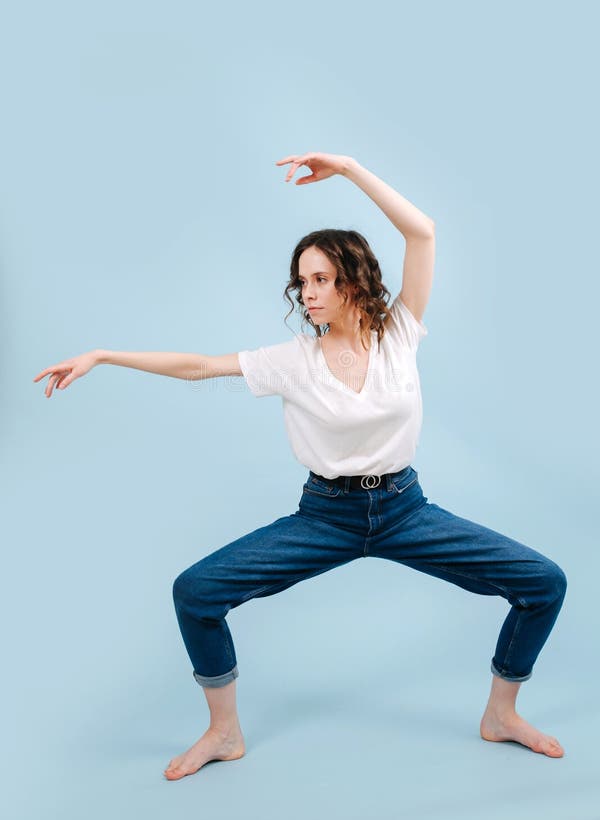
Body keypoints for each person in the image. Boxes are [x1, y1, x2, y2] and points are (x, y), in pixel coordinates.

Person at [33, 151, 567, 781]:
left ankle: (501, 715)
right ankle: (223, 732)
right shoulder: (291, 361)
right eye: (302, 282)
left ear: (354, 280)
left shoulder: (400, 333)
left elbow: (421, 232)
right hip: (327, 516)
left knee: (542, 582)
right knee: (196, 593)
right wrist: (105, 354)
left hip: (405, 510)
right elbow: (199, 365)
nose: (308, 294)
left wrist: (347, 168)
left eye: (321, 279)